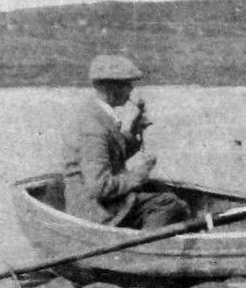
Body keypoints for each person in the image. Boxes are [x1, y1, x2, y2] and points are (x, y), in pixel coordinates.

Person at [61, 54, 190, 228]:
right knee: (169, 204)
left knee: (163, 191)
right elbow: (99, 187)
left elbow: (108, 153)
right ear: (111, 88)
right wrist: (137, 175)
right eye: (127, 85)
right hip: (95, 210)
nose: (131, 90)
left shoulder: (95, 114)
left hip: (98, 202)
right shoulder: (93, 128)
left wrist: (134, 133)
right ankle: (147, 249)